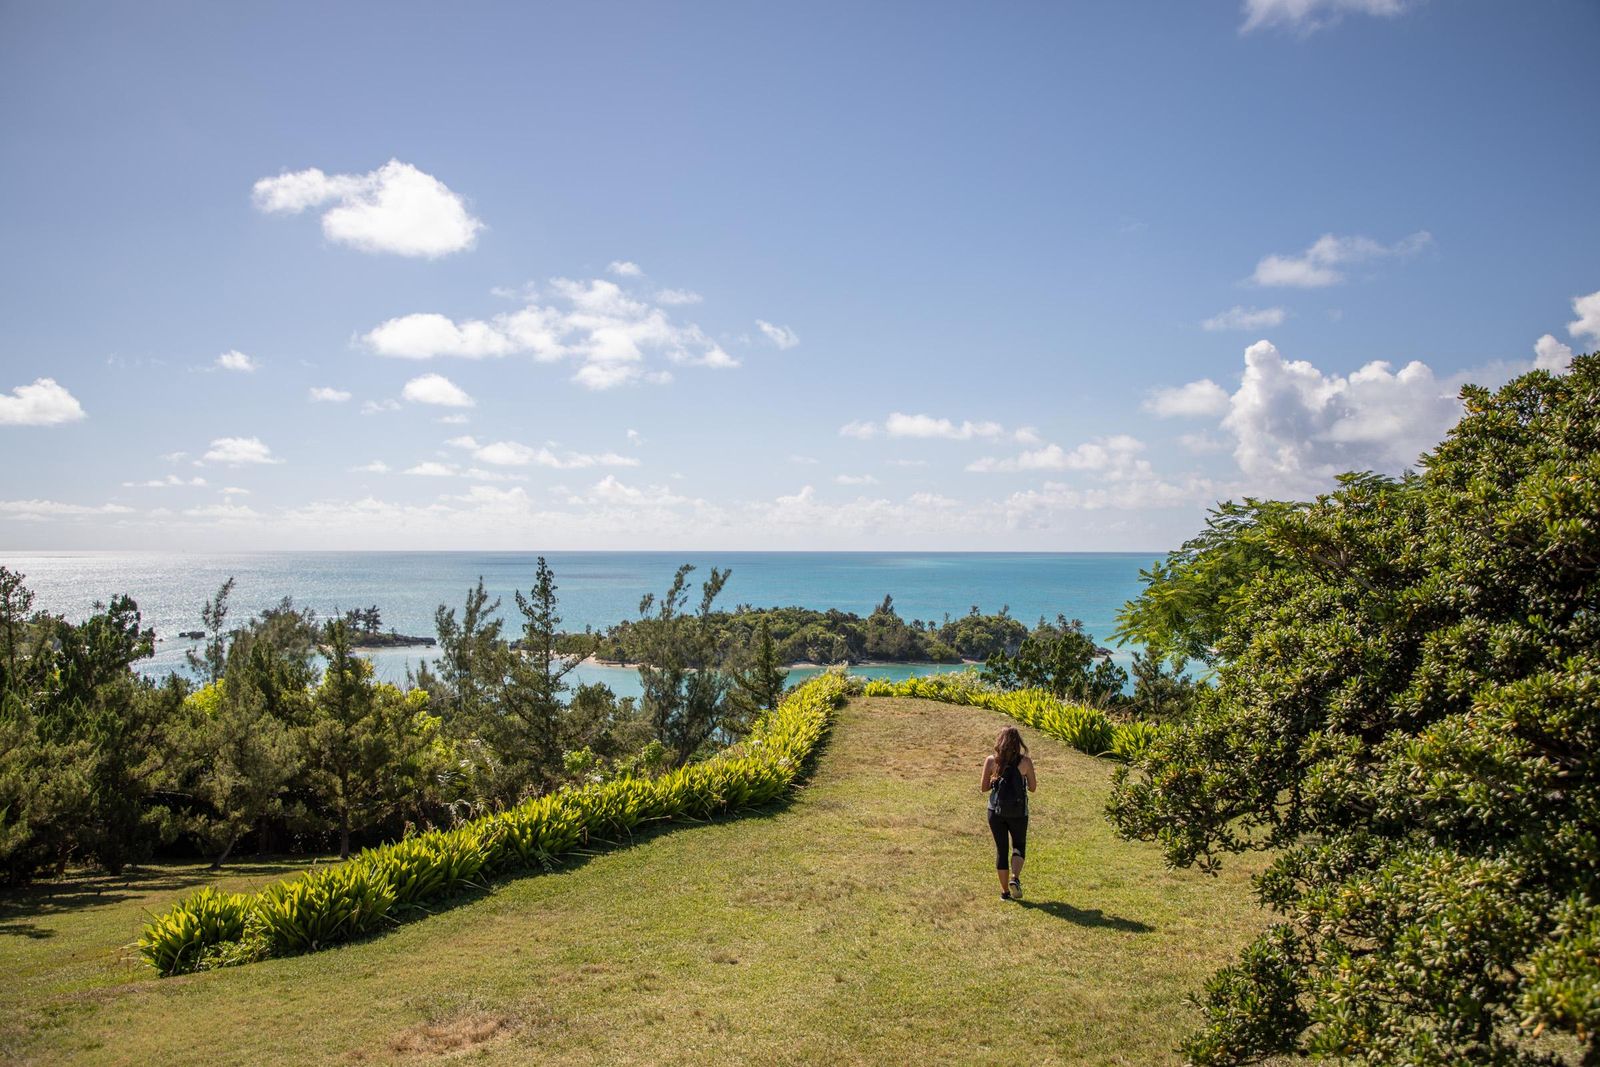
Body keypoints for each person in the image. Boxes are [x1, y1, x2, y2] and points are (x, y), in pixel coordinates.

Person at [981, 725, 1036, 900]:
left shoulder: (991, 761)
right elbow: (1033, 788)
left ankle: (1004, 892)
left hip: (995, 811)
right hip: (1019, 812)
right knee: (1019, 845)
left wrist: (995, 780)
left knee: (1001, 849)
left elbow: (983, 788)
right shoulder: (1025, 762)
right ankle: (1015, 878)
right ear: (1017, 743)